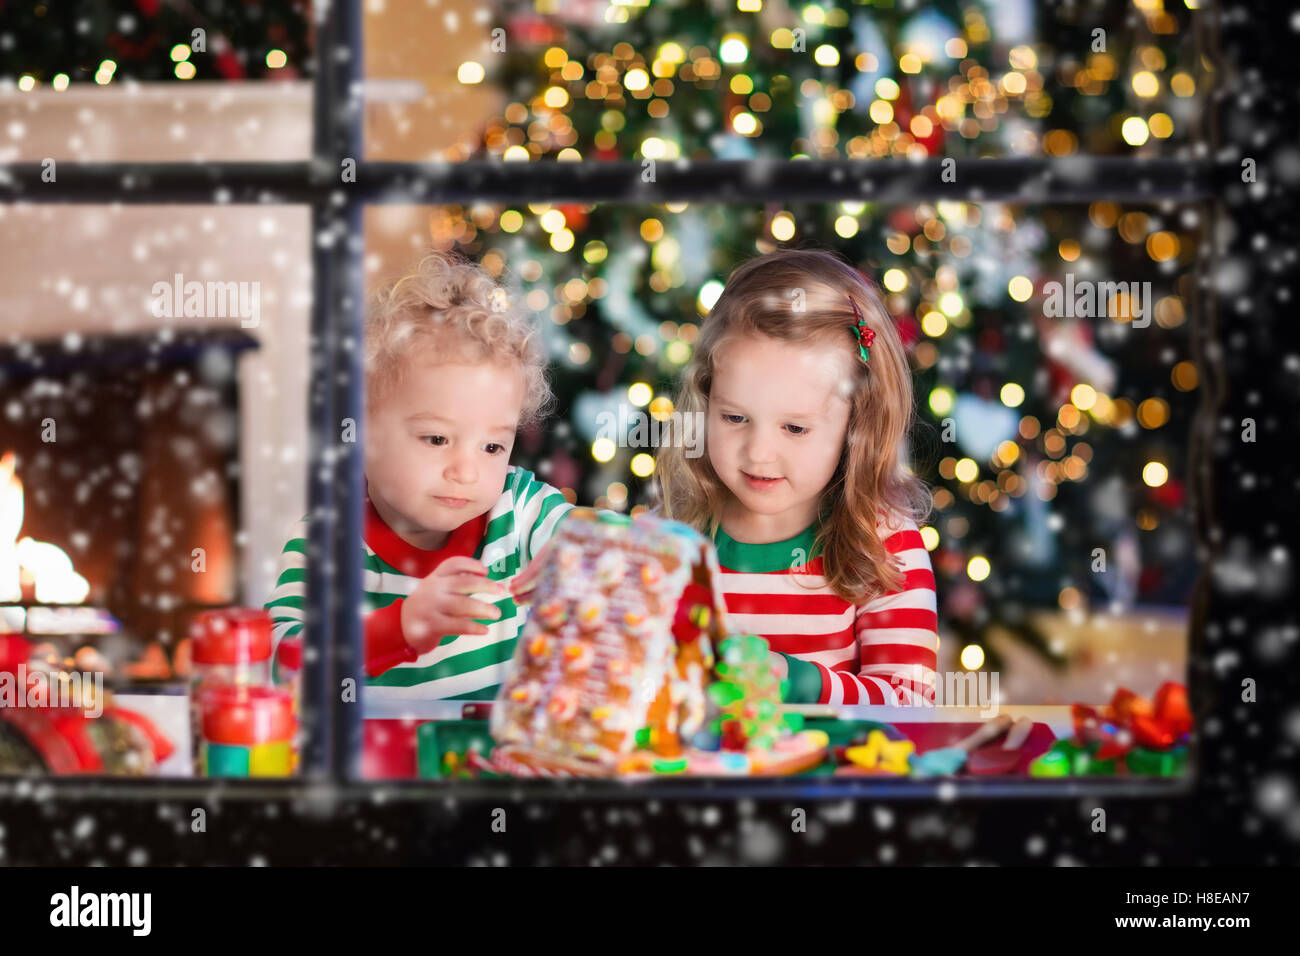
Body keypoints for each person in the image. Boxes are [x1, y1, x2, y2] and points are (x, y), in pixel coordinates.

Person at [265, 251, 572, 709]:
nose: (465, 471)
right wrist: (401, 627)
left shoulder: (522, 510)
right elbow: (281, 666)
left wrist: (574, 563)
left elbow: (593, 544)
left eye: (492, 447)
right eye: (436, 438)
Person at [655, 248, 938, 705]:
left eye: (795, 427)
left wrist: (798, 682)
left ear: (856, 425)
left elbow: (912, 704)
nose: (760, 452)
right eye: (734, 418)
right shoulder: (672, 534)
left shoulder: (884, 548)